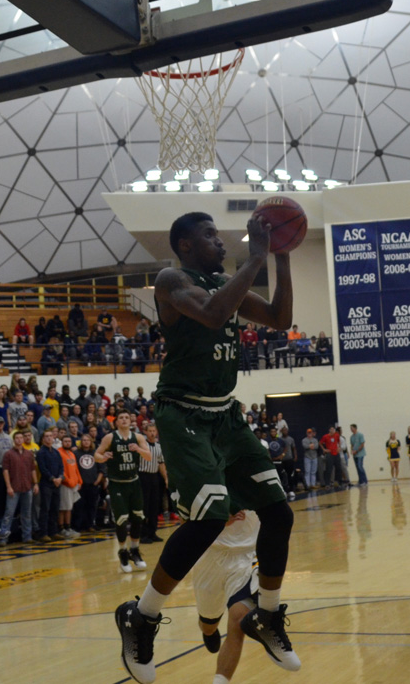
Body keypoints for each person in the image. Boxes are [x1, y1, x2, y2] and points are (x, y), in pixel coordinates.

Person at [115, 211, 299, 684]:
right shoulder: (172, 279)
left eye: (221, 235)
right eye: (211, 235)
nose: (221, 242)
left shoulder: (226, 284)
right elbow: (214, 314)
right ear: (187, 244)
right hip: (184, 413)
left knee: (279, 513)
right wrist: (255, 255)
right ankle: (143, 615)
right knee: (212, 515)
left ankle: (268, 614)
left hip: (225, 414)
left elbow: (281, 319)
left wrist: (282, 257)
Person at [191, 510, 261, 684]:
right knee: (208, 626)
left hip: (246, 553)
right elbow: (186, 523)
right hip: (209, 555)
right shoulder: (198, 483)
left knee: (239, 619)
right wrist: (217, 521)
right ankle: (209, 628)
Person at [96, 412, 151, 571]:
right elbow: (96, 456)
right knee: (121, 519)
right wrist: (104, 456)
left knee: (137, 518)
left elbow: (148, 456)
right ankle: (122, 552)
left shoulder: (138, 437)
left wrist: (138, 450)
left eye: (127, 417)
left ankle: (135, 550)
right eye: (121, 418)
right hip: (117, 484)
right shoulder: (110, 438)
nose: (125, 420)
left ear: (131, 420)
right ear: (116, 422)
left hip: (134, 482)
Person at [1, 431, 38, 542]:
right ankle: (3, 538)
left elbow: (33, 470)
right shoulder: (8, 454)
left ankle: (27, 537)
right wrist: (8, 486)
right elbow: (5, 471)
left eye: (21, 438)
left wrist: (35, 483)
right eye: (17, 438)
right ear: (14, 440)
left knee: (27, 514)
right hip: (14, 487)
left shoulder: (29, 454)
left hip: (27, 487)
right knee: (9, 513)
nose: (19, 440)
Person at [137, 423, 166, 543]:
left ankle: (152, 532)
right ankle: (143, 534)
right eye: (150, 431)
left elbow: (161, 464)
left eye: (154, 431)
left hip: (154, 476)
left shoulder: (159, 447)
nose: (152, 433)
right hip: (143, 476)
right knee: (144, 506)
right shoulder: (142, 445)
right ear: (145, 432)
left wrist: (166, 478)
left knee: (154, 506)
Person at [56, 435, 82, 540]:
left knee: (69, 507)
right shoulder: (59, 453)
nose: (67, 443)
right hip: (65, 484)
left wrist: (79, 481)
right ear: (62, 442)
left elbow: (75, 469)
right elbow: (60, 469)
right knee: (63, 507)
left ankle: (68, 527)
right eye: (65, 441)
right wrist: (68, 481)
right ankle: (61, 528)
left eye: (69, 441)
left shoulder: (71, 453)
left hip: (73, 485)